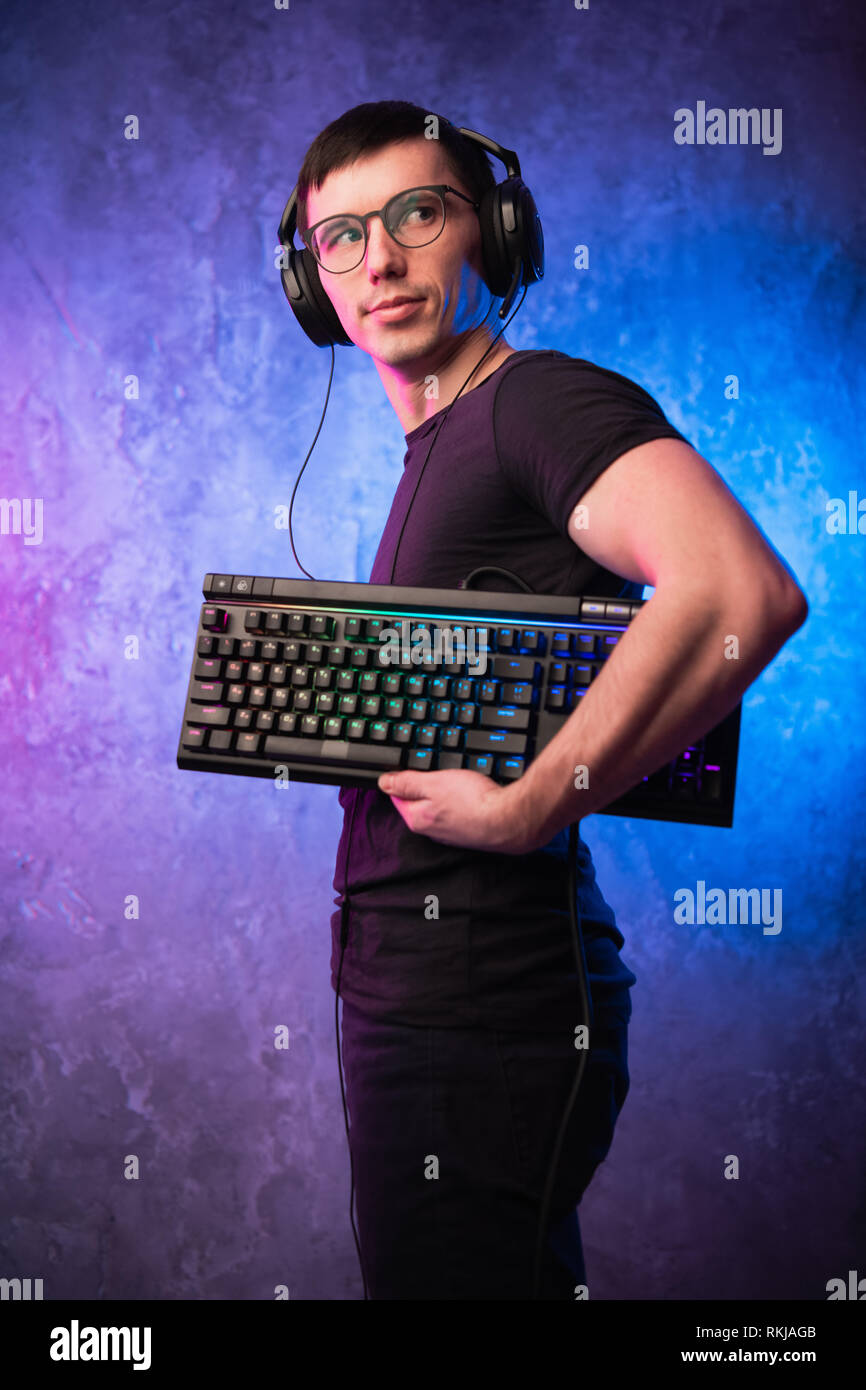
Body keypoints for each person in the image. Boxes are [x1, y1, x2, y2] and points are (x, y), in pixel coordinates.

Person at [289, 99, 808, 1299]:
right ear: (311, 280)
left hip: (487, 1004)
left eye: (419, 213)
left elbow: (740, 590)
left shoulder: (534, 403)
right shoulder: (445, 441)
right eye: (341, 237)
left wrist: (532, 803)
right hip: (418, 991)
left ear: (496, 236)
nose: (380, 260)